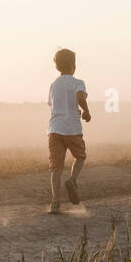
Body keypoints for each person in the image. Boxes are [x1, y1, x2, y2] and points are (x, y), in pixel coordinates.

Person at [46, 48, 90, 213]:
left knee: (56, 167)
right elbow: (79, 97)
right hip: (72, 128)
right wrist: (85, 111)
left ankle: (55, 203)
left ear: (57, 66)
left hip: (55, 128)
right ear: (73, 65)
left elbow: (54, 106)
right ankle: (72, 180)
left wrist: (71, 109)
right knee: (80, 156)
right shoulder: (78, 82)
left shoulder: (53, 85)